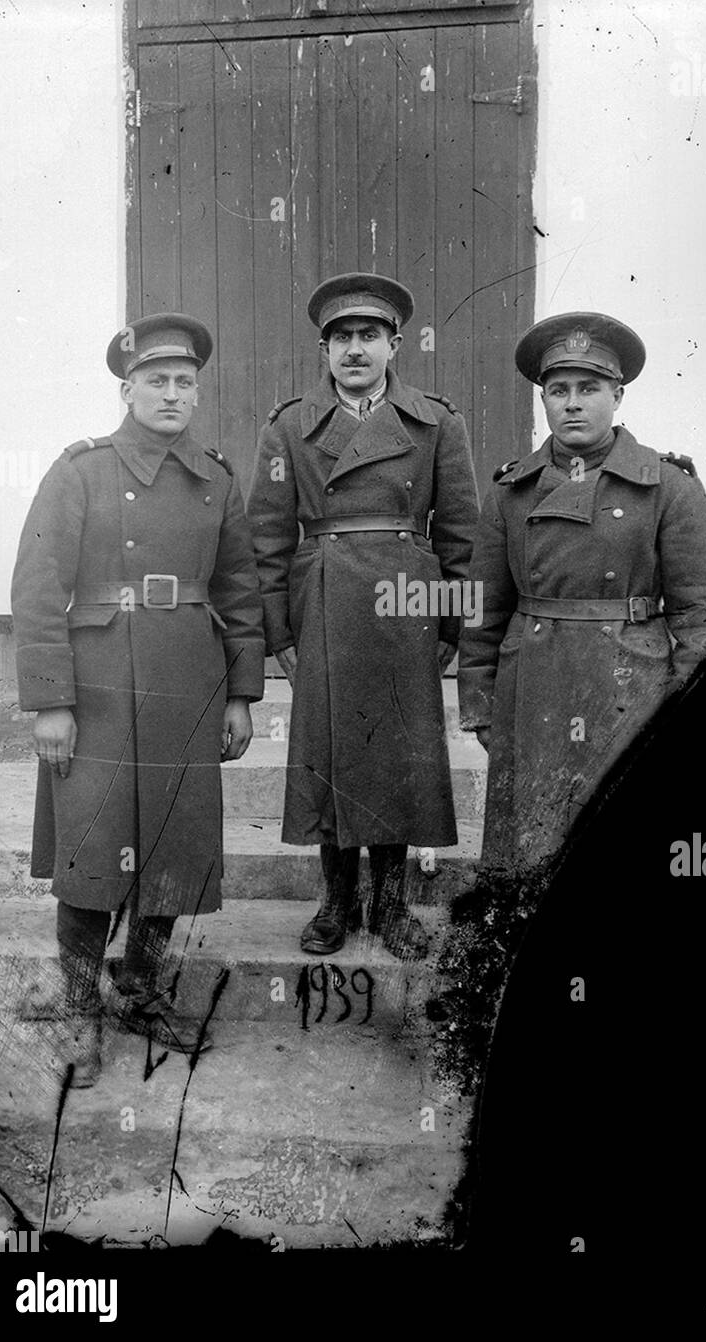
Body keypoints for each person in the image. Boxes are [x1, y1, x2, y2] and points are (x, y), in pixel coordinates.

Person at [11, 313, 265, 1087]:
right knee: (93, 851)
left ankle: (143, 988)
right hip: (98, 686)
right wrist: (50, 703)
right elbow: (36, 587)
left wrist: (241, 695)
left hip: (187, 676)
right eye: (156, 380)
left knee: (172, 846)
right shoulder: (81, 471)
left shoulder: (217, 477)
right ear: (127, 389)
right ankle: (79, 1007)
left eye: (185, 382)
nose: (172, 393)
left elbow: (240, 589)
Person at [458, 311, 706, 874]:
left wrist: (686, 705)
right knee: (529, 851)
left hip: (630, 685)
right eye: (558, 390)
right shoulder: (511, 491)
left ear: (618, 395)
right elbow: (482, 608)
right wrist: (481, 703)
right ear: (544, 401)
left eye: (589, 388)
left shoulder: (667, 486)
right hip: (531, 687)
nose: (573, 403)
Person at [248, 273, 479, 959]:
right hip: (323, 601)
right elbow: (266, 539)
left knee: (398, 753)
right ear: (324, 349)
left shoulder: (437, 422)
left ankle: (392, 904)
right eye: (341, 337)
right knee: (328, 749)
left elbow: (463, 534)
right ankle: (335, 903)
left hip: (406, 603)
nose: (355, 349)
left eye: (368, 336)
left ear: (393, 345)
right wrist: (279, 633)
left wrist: (450, 629)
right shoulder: (288, 427)